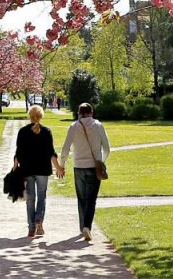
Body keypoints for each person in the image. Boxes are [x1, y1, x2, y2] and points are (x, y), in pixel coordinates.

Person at [57, 102, 111, 242]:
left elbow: (65, 149)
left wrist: (61, 165)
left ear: (78, 113)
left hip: (79, 167)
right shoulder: (98, 126)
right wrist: (101, 161)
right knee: (91, 199)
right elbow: (107, 148)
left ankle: (83, 227)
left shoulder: (74, 127)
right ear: (91, 113)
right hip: (94, 166)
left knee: (81, 199)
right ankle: (87, 226)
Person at [13, 105, 60, 238]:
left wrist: (15, 167)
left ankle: (31, 228)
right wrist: (58, 168)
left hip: (27, 170)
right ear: (41, 116)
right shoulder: (46, 131)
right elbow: (51, 152)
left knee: (30, 199)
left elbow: (18, 152)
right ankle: (39, 219)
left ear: (29, 116)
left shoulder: (22, 132)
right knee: (42, 196)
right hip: (43, 170)